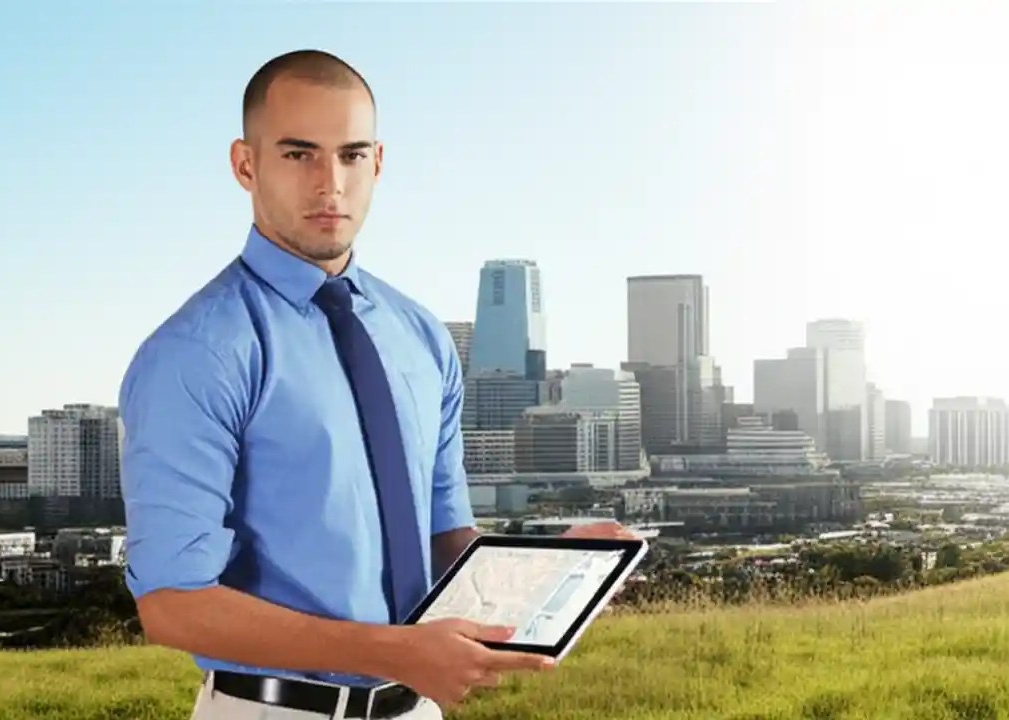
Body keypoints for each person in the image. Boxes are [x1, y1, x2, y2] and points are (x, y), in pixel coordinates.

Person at [118, 49, 635, 720]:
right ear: (245, 164)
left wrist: (550, 568)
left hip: (415, 710)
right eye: (299, 154)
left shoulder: (420, 337)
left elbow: (444, 542)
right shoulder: (196, 353)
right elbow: (171, 606)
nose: (330, 183)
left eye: (352, 155)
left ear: (379, 163)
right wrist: (394, 652)